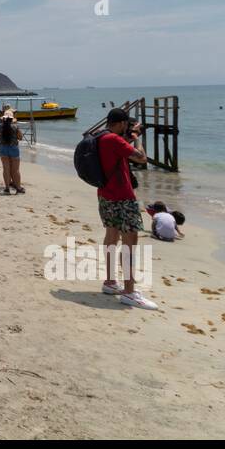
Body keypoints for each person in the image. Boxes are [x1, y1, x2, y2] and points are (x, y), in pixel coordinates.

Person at [96, 107, 156, 309]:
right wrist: (137, 137)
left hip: (105, 195)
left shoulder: (100, 138)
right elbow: (141, 158)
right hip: (123, 197)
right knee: (130, 241)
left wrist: (129, 137)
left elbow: (119, 150)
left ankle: (110, 282)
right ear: (121, 124)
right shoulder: (114, 140)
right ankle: (129, 292)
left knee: (111, 236)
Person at [0, 107, 24, 194]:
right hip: (13, 148)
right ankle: (18, 188)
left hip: (3, 148)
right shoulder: (15, 126)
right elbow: (20, 137)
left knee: (6, 169)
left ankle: (7, 188)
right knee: (15, 170)